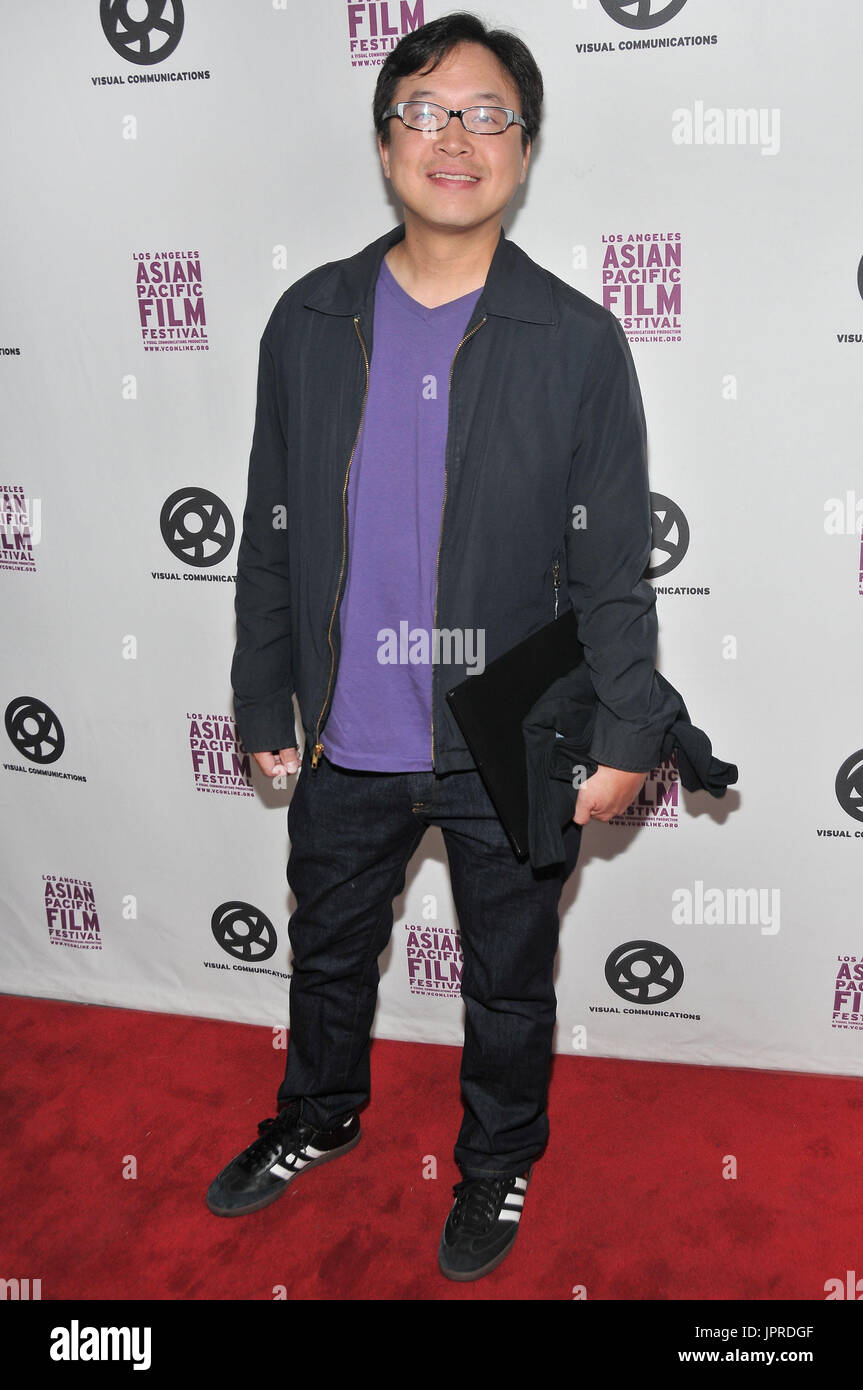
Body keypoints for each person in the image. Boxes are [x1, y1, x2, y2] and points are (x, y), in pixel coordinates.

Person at [206, 11, 664, 1284]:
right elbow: (272, 526)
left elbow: (613, 566)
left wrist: (627, 731)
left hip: (511, 731)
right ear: (382, 139)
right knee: (328, 949)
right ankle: (316, 1116)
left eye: (485, 115)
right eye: (424, 109)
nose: (452, 136)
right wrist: (261, 690)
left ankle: (497, 1161)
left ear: (522, 151)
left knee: (508, 982)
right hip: (347, 730)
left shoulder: (574, 340)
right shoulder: (310, 317)